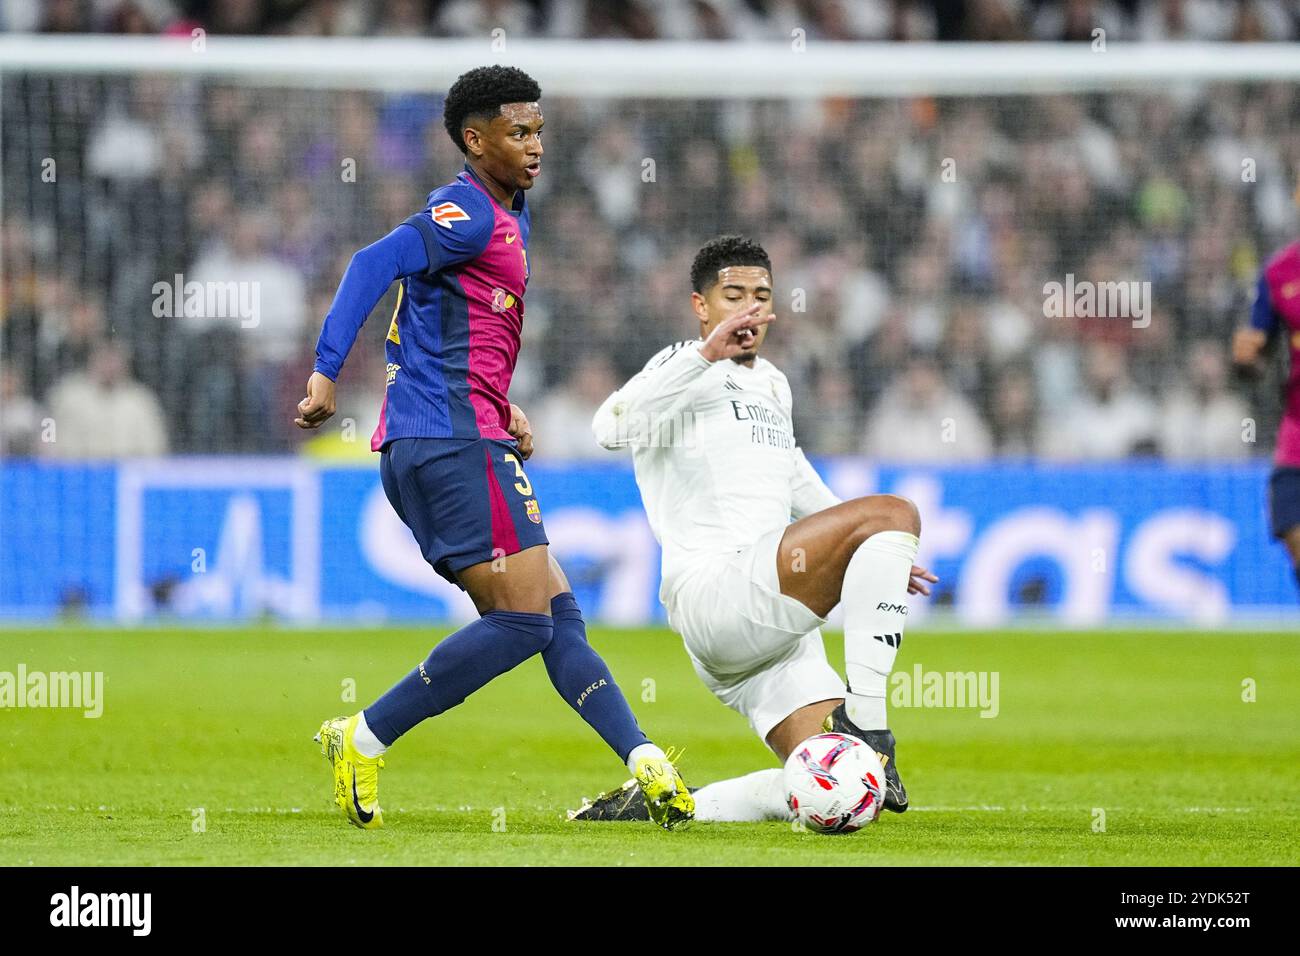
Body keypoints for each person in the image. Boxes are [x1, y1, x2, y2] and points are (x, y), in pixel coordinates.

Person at [295, 66, 692, 830]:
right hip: (447, 446)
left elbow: (446, 324)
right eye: (518, 132)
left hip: (463, 432)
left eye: (539, 129)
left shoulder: (511, 214)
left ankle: (643, 763)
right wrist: (323, 373)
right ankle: (363, 735)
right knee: (524, 623)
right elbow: (370, 265)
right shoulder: (466, 212)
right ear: (475, 141)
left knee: (556, 613)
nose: (535, 145)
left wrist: (499, 400)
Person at [571, 235, 936, 824]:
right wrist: (703, 356)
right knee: (899, 512)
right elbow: (608, 428)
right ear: (701, 306)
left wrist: (875, 546)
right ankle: (870, 722)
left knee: (843, 783)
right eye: (732, 295)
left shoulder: (773, 382)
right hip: (719, 592)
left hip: (767, 633)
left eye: (760, 297)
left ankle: (675, 809)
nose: (748, 310)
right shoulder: (680, 366)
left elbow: (792, 476)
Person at [1233, 236, 1300, 596]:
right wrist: (1246, 359)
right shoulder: (1279, 272)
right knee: (1293, 529)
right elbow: (1258, 350)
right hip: (1297, 430)